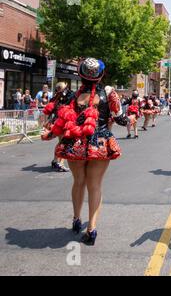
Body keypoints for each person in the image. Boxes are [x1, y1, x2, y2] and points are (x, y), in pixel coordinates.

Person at [49, 58, 128, 245]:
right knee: (95, 185)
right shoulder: (109, 93)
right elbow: (121, 118)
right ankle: (91, 228)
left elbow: (60, 116)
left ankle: (76, 219)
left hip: (76, 142)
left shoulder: (71, 95)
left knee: (78, 182)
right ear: (100, 75)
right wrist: (129, 119)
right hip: (99, 143)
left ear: (80, 74)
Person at [41, 82, 75, 172]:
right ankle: (60, 163)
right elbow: (49, 110)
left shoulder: (57, 98)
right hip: (62, 122)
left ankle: (55, 160)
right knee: (64, 143)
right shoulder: (60, 98)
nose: (67, 90)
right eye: (65, 88)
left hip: (60, 122)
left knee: (61, 142)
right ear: (60, 89)